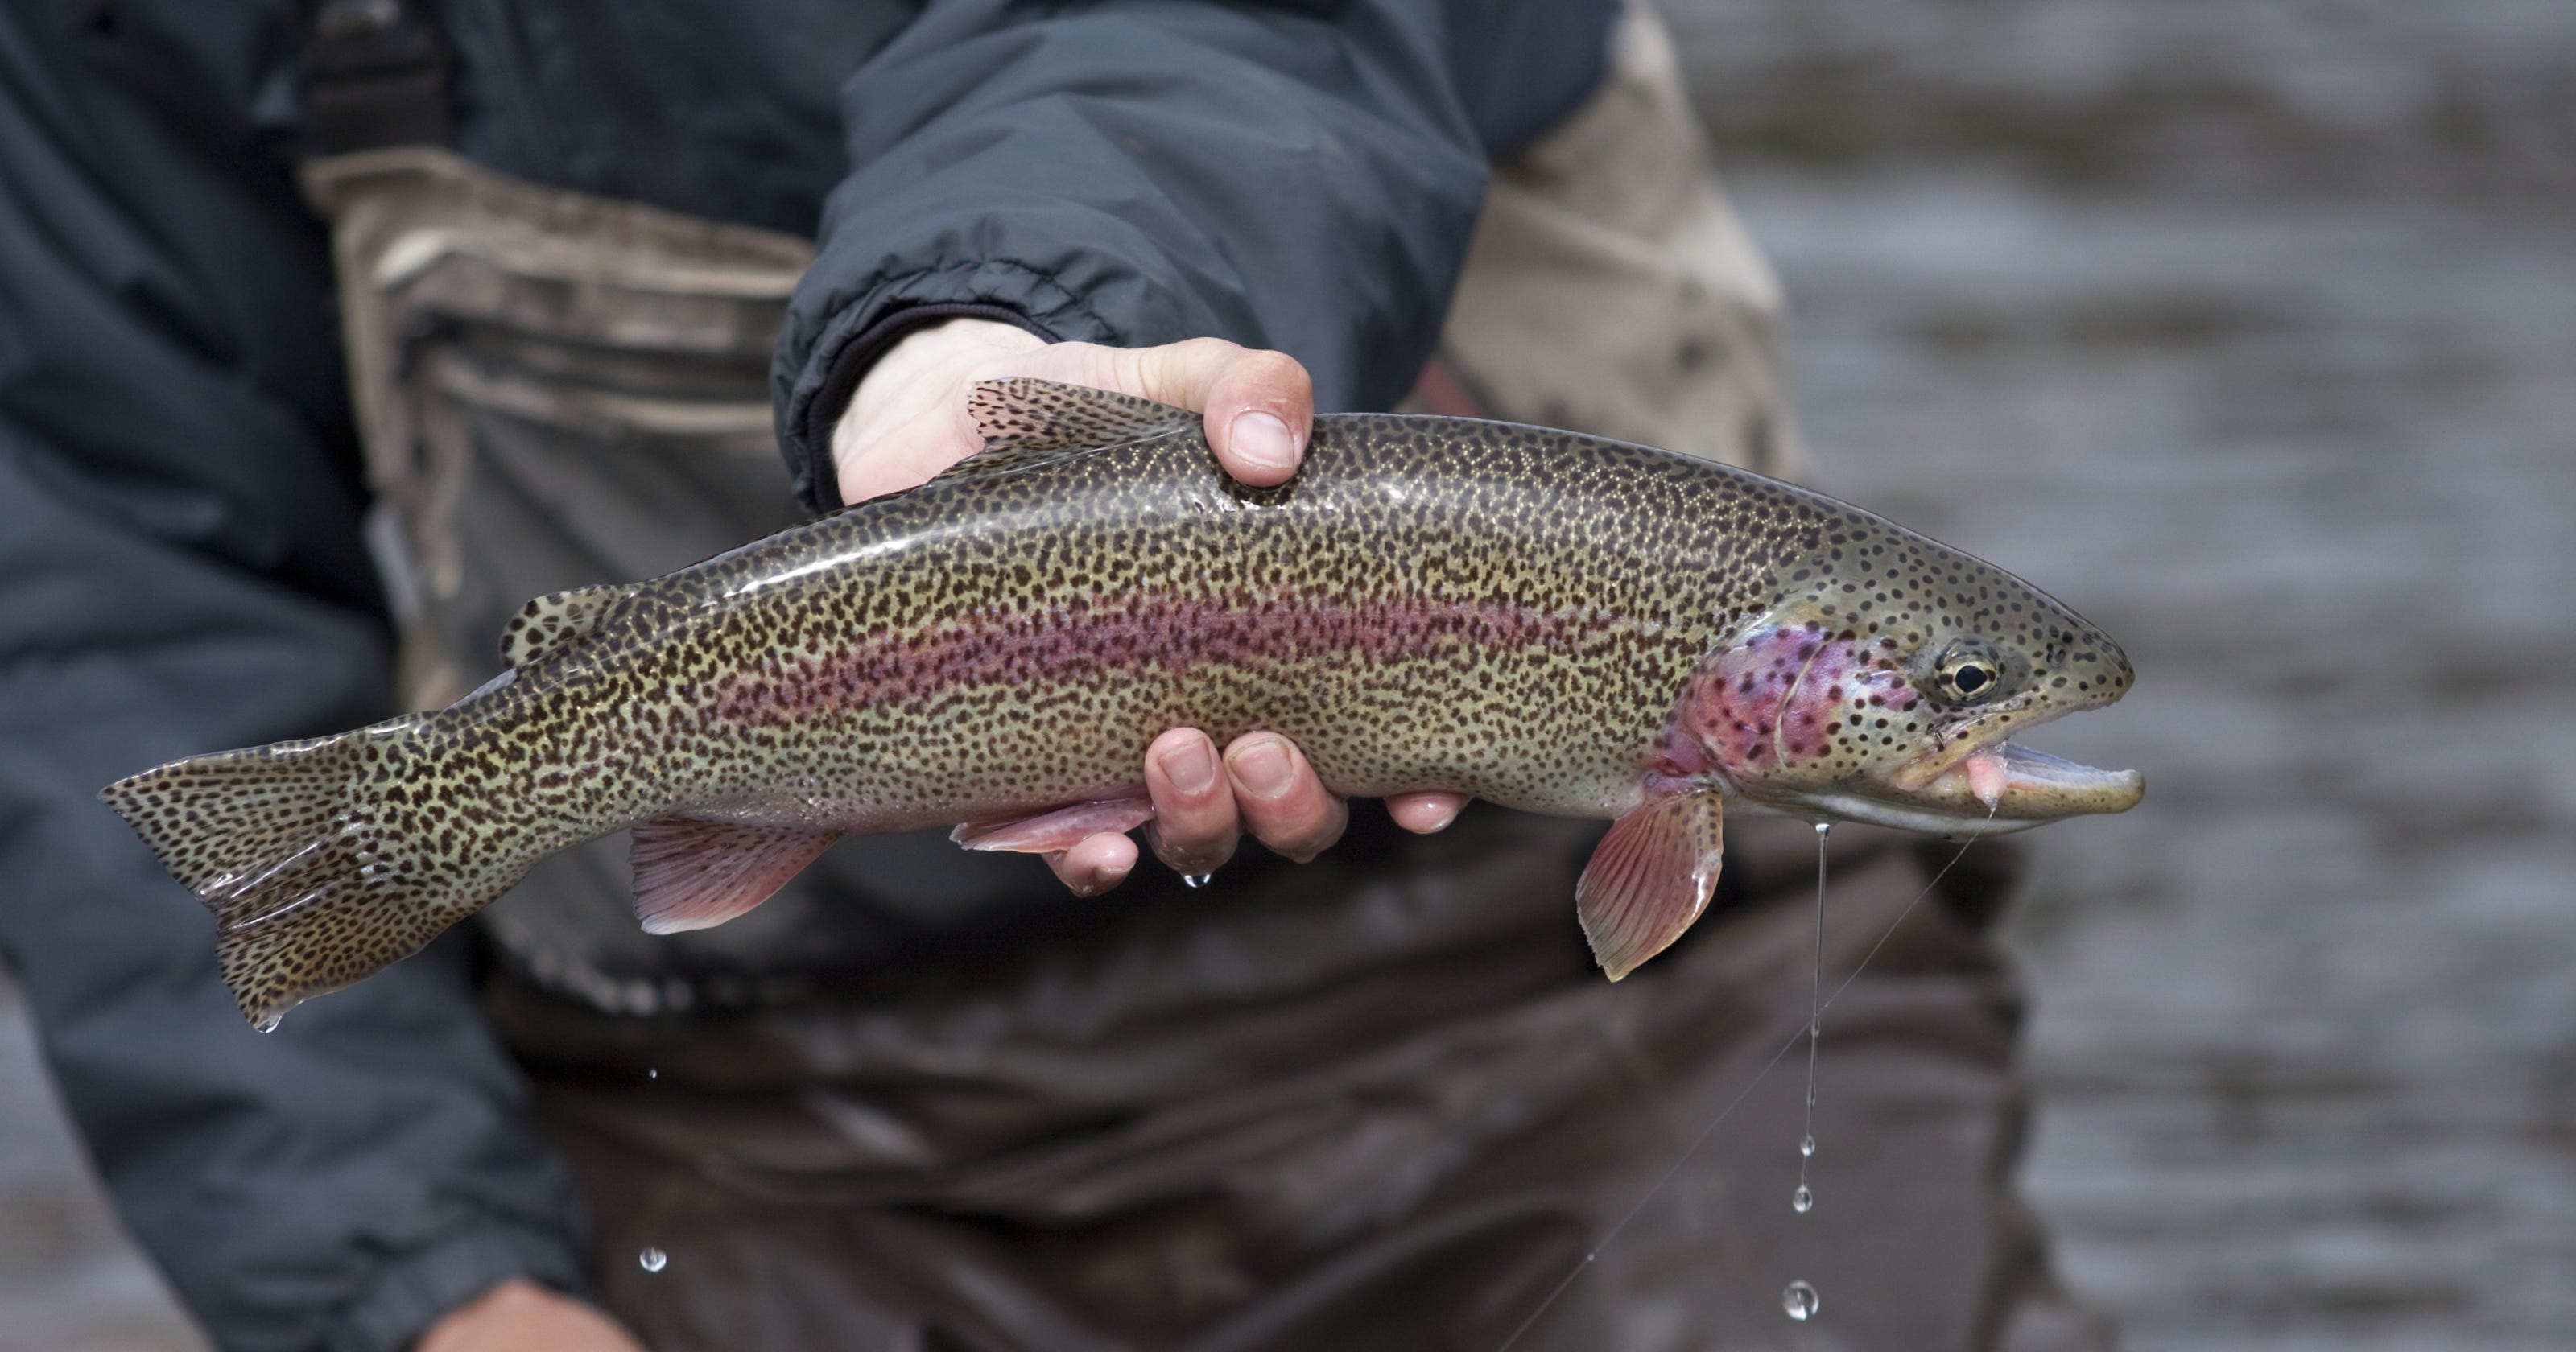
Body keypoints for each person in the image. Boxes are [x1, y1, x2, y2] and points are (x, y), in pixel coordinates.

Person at [0, 2, 2109, 1349]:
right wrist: (423, 1292)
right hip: (744, 1114)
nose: (1970, 704)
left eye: (1948, 687)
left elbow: (1211, 46)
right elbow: (109, 596)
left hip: (1544, 1040)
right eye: (1955, 683)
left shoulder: (1679, 810)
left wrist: (1019, 324)